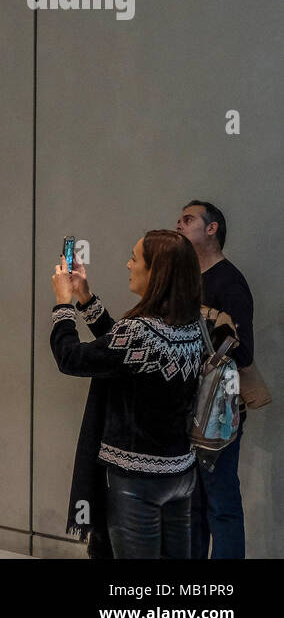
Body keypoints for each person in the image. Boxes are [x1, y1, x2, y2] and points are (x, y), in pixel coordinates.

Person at [51, 230, 204, 558]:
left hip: (136, 479)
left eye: (135, 259)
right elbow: (124, 355)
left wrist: (63, 304)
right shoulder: (192, 326)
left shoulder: (139, 334)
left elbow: (72, 358)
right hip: (181, 473)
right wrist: (85, 298)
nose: (128, 264)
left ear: (155, 274)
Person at [176, 200, 252, 559]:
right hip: (188, 408)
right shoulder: (188, 279)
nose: (179, 223)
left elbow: (244, 352)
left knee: (221, 503)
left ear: (212, 229)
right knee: (192, 505)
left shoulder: (230, 282)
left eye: (188, 219)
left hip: (219, 412)